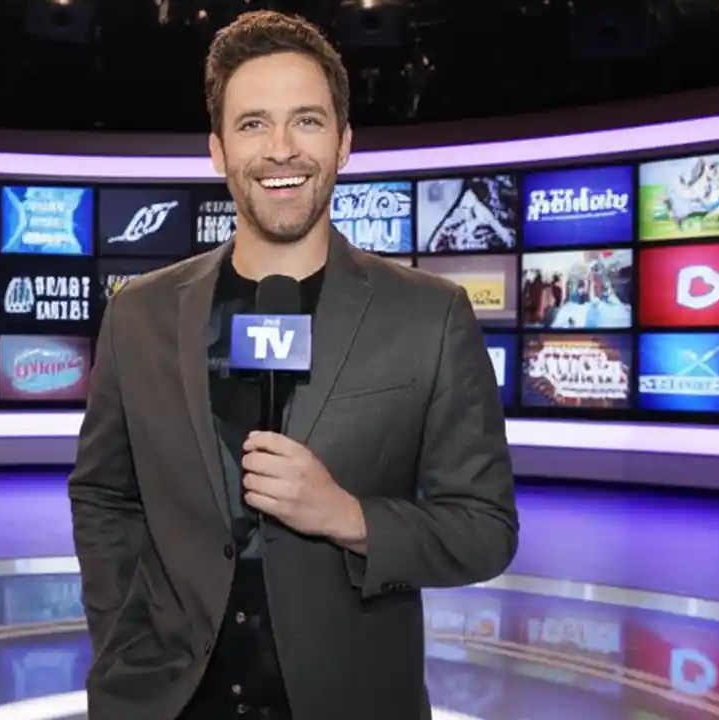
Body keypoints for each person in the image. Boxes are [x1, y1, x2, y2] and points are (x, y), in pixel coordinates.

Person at [68, 10, 519, 720]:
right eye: (253, 125)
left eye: (306, 121)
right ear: (218, 150)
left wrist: (348, 517)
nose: (281, 149)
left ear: (343, 143)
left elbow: (485, 529)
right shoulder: (140, 316)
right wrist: (121, 643)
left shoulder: (429, 316)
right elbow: (103, 496)